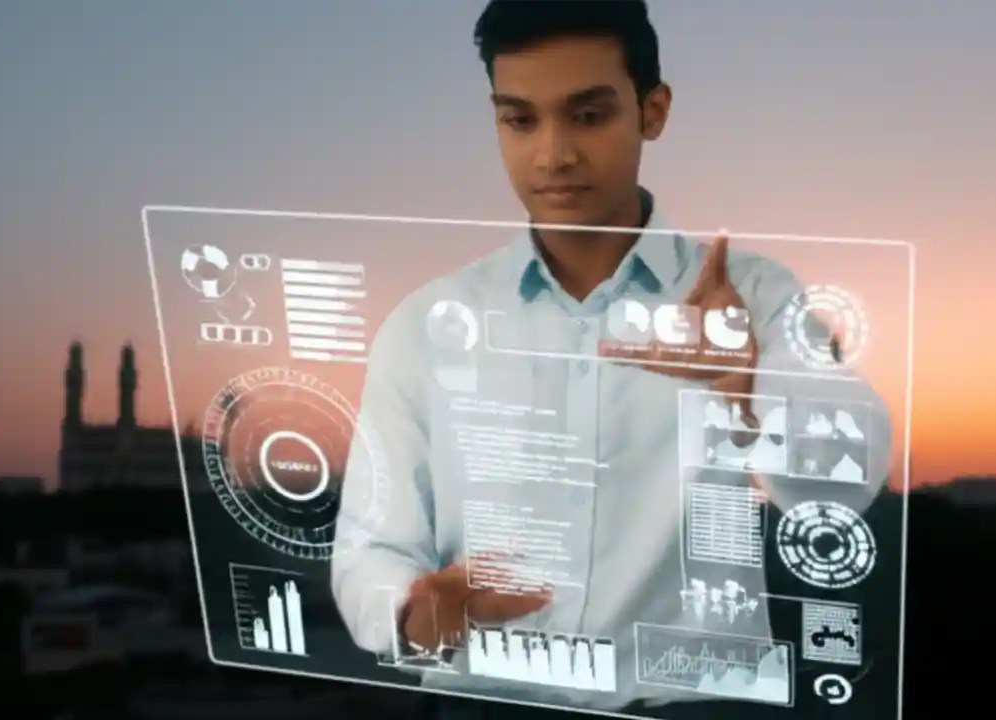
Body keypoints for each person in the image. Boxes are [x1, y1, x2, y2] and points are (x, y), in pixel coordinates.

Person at [330, 1, 892, 718]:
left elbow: (844, 492)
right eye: (520, 118)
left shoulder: (753, 296)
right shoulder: (427, 324)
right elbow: (371, 547)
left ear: (652, 111)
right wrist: (415, 612)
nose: (553, 154)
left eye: (589, 115)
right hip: (485, 702)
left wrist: (745, 389)